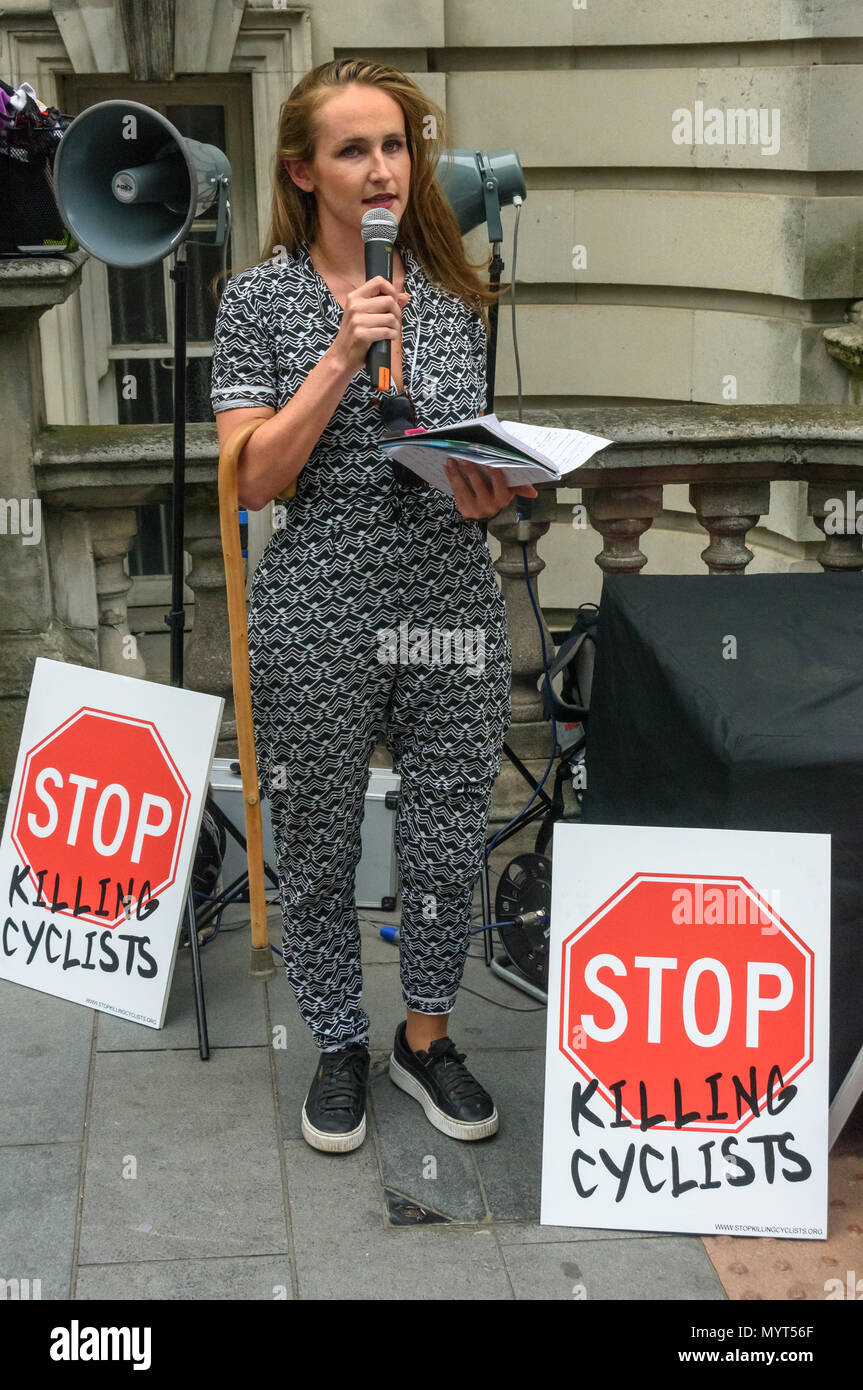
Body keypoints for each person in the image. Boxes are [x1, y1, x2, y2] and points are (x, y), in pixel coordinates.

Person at [210, 57, 537, 1154]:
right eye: (354, 149)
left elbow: (454, 458)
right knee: (313, 839)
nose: (382, 168)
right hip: (316, 609)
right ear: (303, 172)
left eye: (395, 145)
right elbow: (252, 479)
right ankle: (341, 1044)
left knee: (447, 836)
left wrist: (485, 487)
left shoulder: (447, 303)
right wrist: (340, 353)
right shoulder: (256, 301)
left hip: (448, 600)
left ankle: (424, 1037)